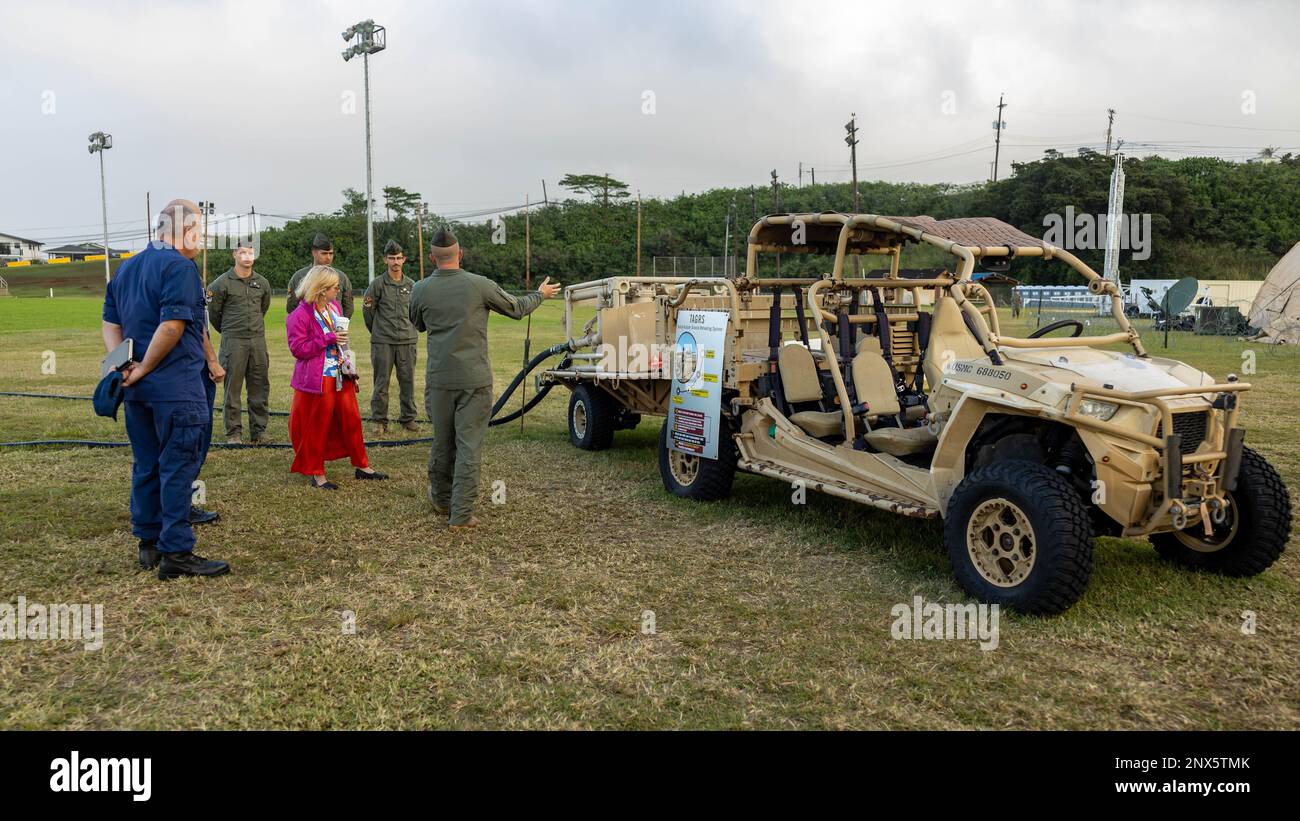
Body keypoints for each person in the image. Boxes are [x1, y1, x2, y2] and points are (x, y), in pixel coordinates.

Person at [101, 198, 231, 579]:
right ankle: (176, 552)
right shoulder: (180, 266)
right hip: (175, 386)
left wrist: (122, 364)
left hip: (139, 394)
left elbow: (110, 323)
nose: (202, 240)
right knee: (177, 468)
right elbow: (173, 325)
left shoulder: (127, 268)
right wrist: (143, 367)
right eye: (200, 231)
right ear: (185, 229)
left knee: (146, 464)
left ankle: (149, 542)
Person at [408, 226, 560, 528]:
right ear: (460, 254)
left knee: (442, 442)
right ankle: (461, 514)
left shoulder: (420, 289)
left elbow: (418, 324)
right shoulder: (478, 284)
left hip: (439, 380)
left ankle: (440, 499)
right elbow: (516, 309)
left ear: (431, 257)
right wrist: (539, 295)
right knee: (469, 446)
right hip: (474, 380)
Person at [286, 265, 387, 489]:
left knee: (352, 420)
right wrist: (328, 338)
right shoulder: (300, 315)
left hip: (342, 375)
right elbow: (298, 349)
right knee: (317, 425)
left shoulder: (334, 306)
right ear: (321, 289)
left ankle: (362, 465)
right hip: (319, 379)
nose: (338, 290)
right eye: (334, 287)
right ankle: (316, 472)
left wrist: (351, 367)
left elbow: (343, 341)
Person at [207, 241, 272, 444]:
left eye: (251, 252)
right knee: (232, 388)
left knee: (259, 385)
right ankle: (233, 432)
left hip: (257, 340)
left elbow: (264, 308)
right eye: (242, 252)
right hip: (233, 341)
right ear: (234, 254)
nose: (247, 256)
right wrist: (230, 331)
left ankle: (259, 431)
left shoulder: (262, 282)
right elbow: (214, 315)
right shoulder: (221, 284)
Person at [362, 240, 419, 434]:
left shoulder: (412, 285)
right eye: (391, 258)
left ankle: (408, 419)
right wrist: (379, 332)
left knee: (408, 381)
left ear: (404, 260)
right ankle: (379, 421)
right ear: (385, 259)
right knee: (381, 382)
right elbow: (368, 313)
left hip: (407, 340)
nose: (395, 261)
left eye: (399, 258)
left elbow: (417, 312)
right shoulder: (377, 284)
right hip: (383, 341)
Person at [286, 232, 354, 318]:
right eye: (324, 253)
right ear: (314, 253)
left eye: (331, 253)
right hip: (308, 326)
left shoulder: (341, 277)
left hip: (334, 327)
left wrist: (340, 324)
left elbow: (348, 306)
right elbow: (291, 307)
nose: (328, 257)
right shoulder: (299, 276)